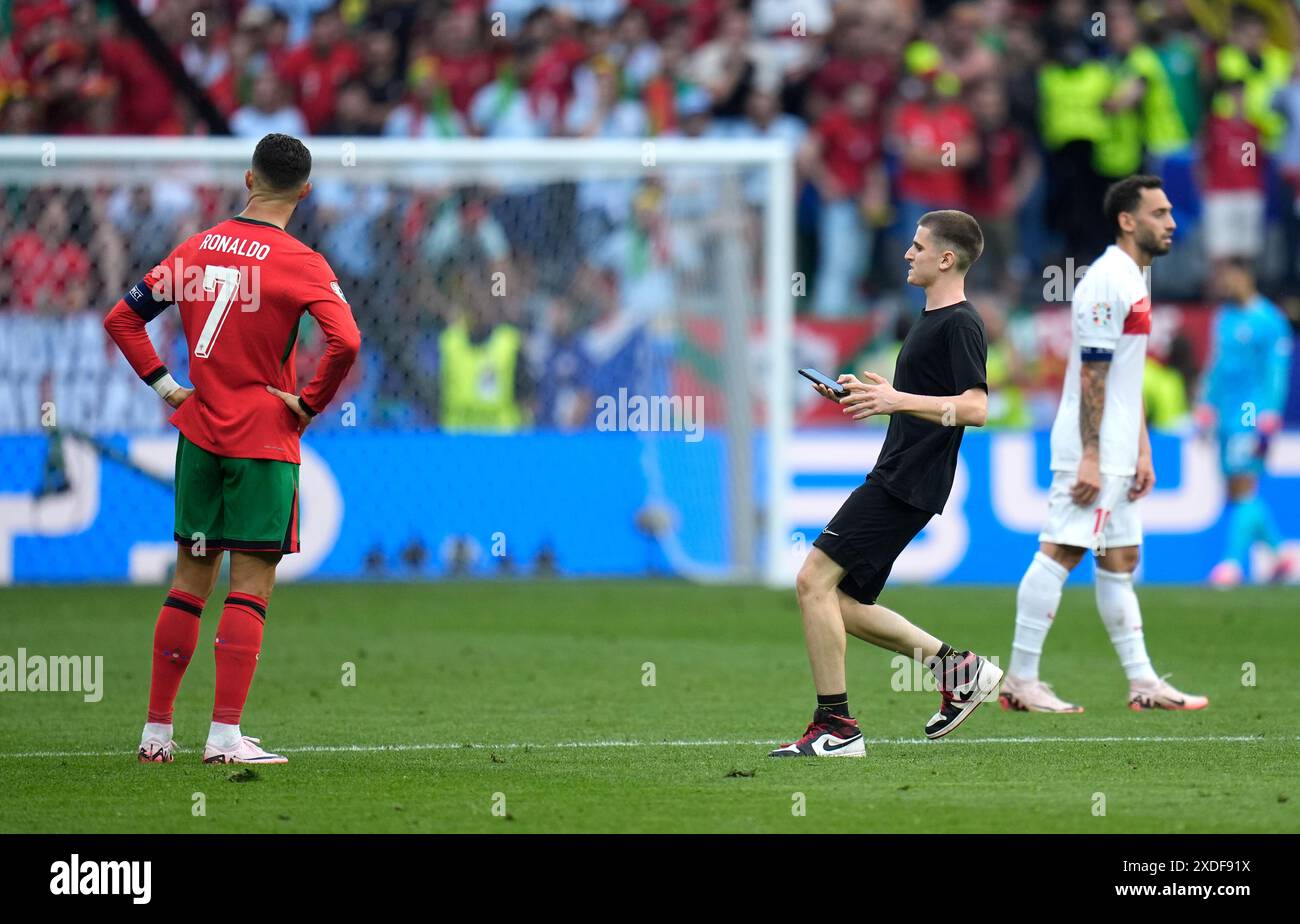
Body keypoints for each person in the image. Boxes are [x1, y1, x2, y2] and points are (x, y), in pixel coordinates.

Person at [103, 133, 362, 764]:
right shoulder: (302, 261)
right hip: (262, 441)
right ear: (303, 192)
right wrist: (308, 402)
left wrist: (170, 390)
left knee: (189, 581)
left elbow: (122, 317)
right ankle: (223, 736)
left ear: (249, 180)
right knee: (249, 585)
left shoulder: (196, 248)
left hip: (198, 435)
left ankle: (156, 733)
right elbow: (346, 342)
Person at [770, 209, 1001, 758]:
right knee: (837, 600)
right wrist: (876, 397)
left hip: (907, 480)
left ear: (947, 259)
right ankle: (960, 670)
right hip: (901, 473)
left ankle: (837, 727)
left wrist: (897, 399)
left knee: (811, 581)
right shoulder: (929, 320)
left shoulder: (961, 323)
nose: (907, 253)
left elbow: (975, 407)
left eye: (918, 246)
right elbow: (927, 402)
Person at [1004, 175, 1208, 714]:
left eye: (1170, 212)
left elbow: (1126, 375)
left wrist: (1141, 449)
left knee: (1121, 557)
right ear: (1127, 220)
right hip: (1090, 446)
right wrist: (1092, 454)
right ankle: (1020, 680)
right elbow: (1093, 375)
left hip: (1117, 446)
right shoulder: (1106, 281)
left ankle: (1143, 682)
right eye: (1160, 213)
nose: (1172, 222)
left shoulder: (1135, 279)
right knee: (1063, 549)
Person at [1199, 259, 1295, 586]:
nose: (1226, 285)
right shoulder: (1223, 318)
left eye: (1230, 277)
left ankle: (1232, 564)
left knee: (1243, 485)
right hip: (1226, 412)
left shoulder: (1270, 320)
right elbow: (1215, 364)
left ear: (1246, 277)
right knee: (1235, 489)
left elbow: (1276, 372)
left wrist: (1268, 415)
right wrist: (1206, 405)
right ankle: (1281, 556)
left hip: (1249, 411)